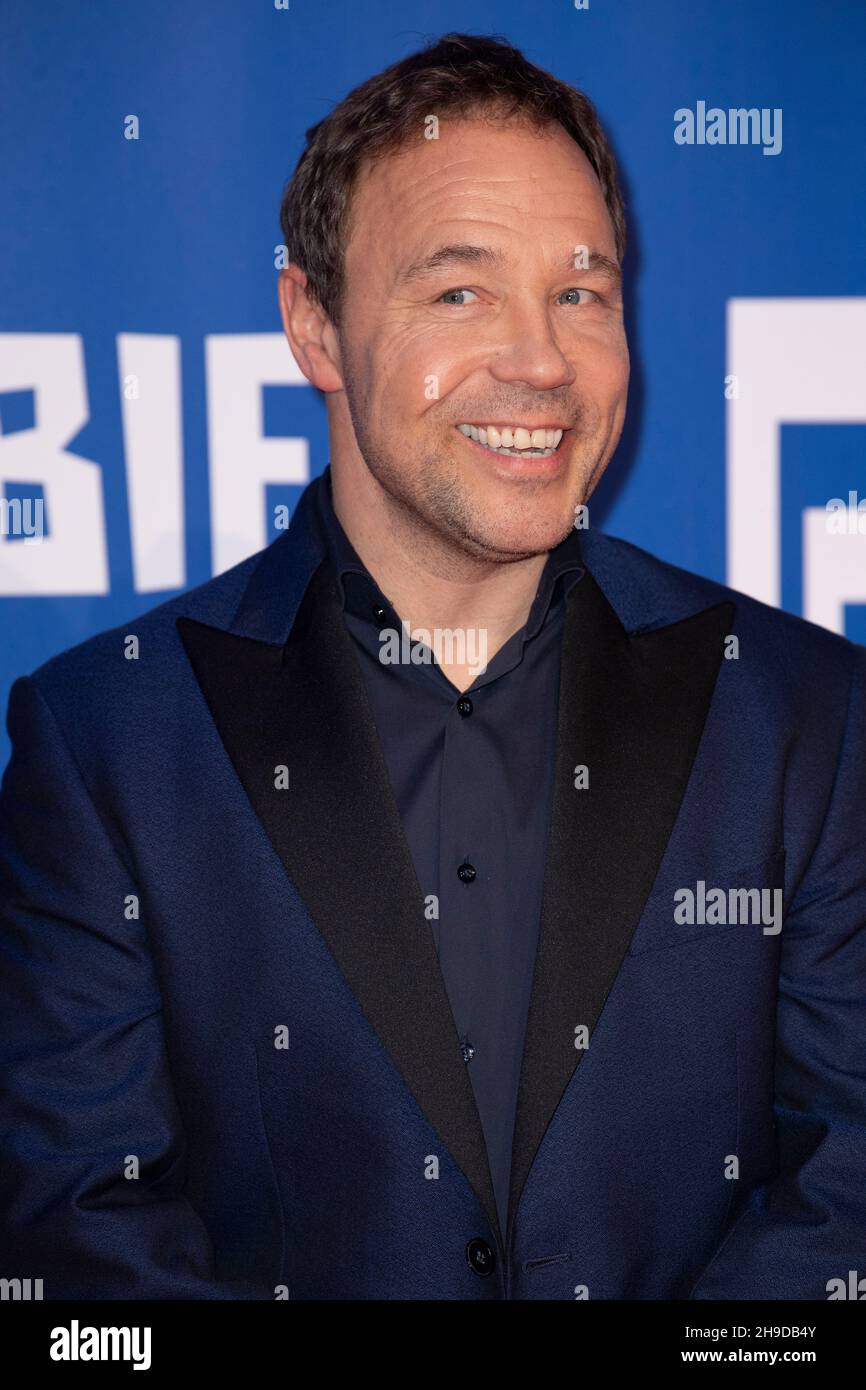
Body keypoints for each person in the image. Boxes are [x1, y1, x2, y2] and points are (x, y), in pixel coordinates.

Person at [1, 31, 864, 1301]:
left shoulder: (802, 713)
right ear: (313, 323)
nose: (539, 360)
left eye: (581, 292)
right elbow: (85, 1247)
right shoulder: (108, 739)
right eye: (458, 291)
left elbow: (843, 1194)